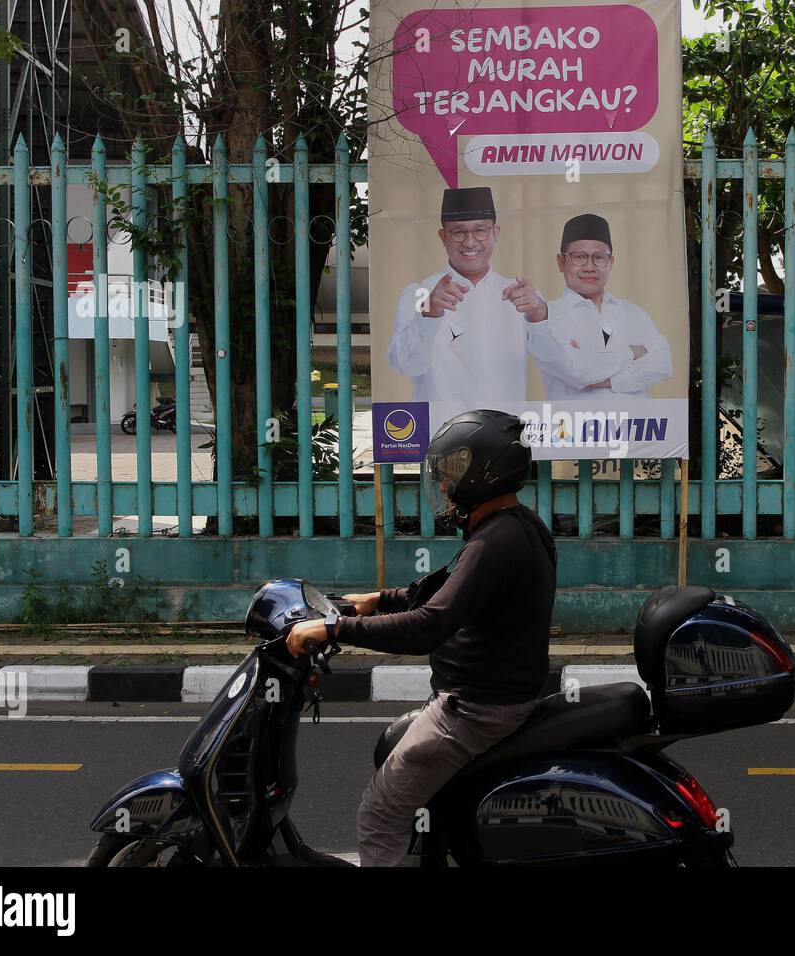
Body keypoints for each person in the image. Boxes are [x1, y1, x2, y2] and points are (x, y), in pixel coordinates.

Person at [286, 409, 556, 867]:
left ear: (482, 474)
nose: (447, 485)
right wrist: (377, 599)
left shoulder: (494, 544)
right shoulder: (514, 526)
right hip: (490, 698)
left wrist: (334, 628)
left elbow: (429, 625)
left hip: (474, 710)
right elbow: (442, 592)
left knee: (379, 812)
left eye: (454, 473)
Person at [387, 187, 549, 402]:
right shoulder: (419, 293)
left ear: (495, 233)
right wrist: (428, 313)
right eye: (459, 232)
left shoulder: (522, 296)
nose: (470, 242)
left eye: (480, 230)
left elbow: (559, 366)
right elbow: (406, 364)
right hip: (441, 430)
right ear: (443, 236)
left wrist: (540, 314)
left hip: (505, 430)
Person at [526, 213, 672, 401]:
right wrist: (631, 352)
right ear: (561, 262)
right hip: (573, 429)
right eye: (579, 257)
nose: (589, 267)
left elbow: (663, 364)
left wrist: (607, 380)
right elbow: (576, 371)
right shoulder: (546, 317)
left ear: (611, 262)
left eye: (599, 258)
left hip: (635, 428)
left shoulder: (633, 313)